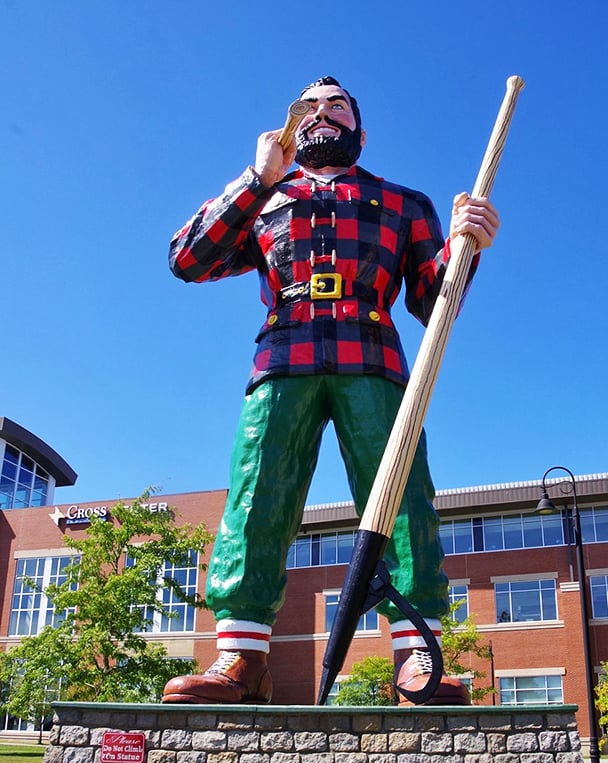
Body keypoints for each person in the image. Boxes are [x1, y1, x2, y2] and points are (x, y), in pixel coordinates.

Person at [161, 77, 499, 706]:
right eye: (309, 105)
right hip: (282, 355)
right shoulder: (262, 199)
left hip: (372, 359)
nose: (322, 113)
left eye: (336, 105)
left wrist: (465, 243)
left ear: (359, 132)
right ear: (291, 125)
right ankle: (241, 656)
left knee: (402, 498)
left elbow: (433, 302)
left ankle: (417, 655)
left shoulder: (404, 202)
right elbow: (188, 259)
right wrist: (256, 178)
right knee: (256, 496)